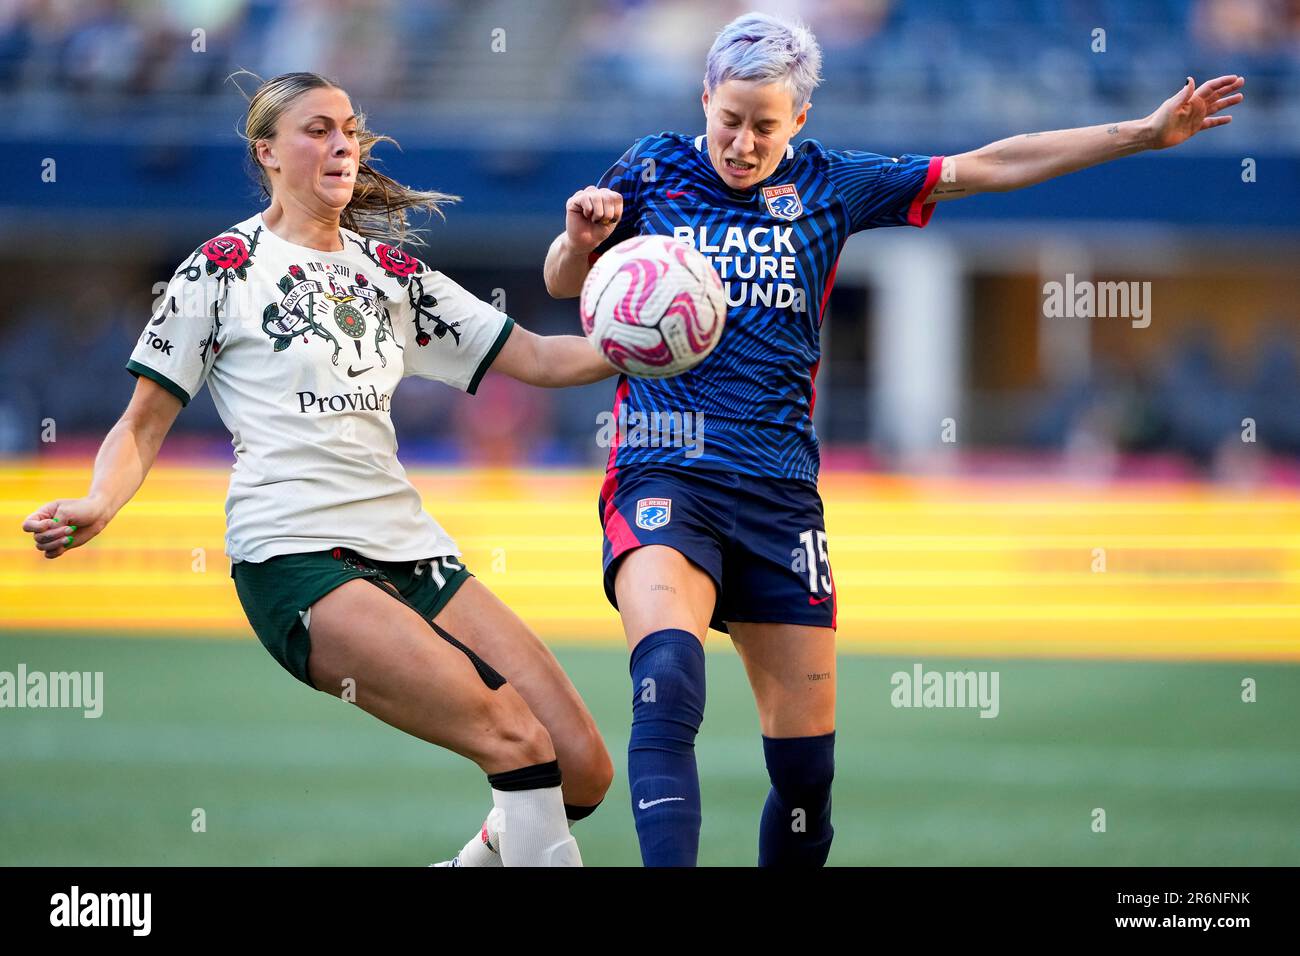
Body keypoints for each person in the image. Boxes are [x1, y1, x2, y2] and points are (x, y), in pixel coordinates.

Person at [535, 12, 1242, 866]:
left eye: (766, 125)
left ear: (800, 120)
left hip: (778, 495)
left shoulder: (835, 183)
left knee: (805, 780)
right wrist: (578, 240)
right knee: (668, 683)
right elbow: (566, 280)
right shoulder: (651, 168)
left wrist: (1140, 133)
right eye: (730, 119)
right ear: (704, 100)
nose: (744, 142)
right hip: (663, 471)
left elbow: (985, 166)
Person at [20, 71, 617, 867]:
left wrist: (656, 347)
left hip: (410, 548)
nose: (343, 144)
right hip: (295, 557)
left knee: (581, 766)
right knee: (515, 740)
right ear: (266, 152)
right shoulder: (220, 269)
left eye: (350, 128)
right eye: (317, 129)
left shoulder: (393, 274)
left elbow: (539, 355)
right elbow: (140, 425)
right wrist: (101, 500)